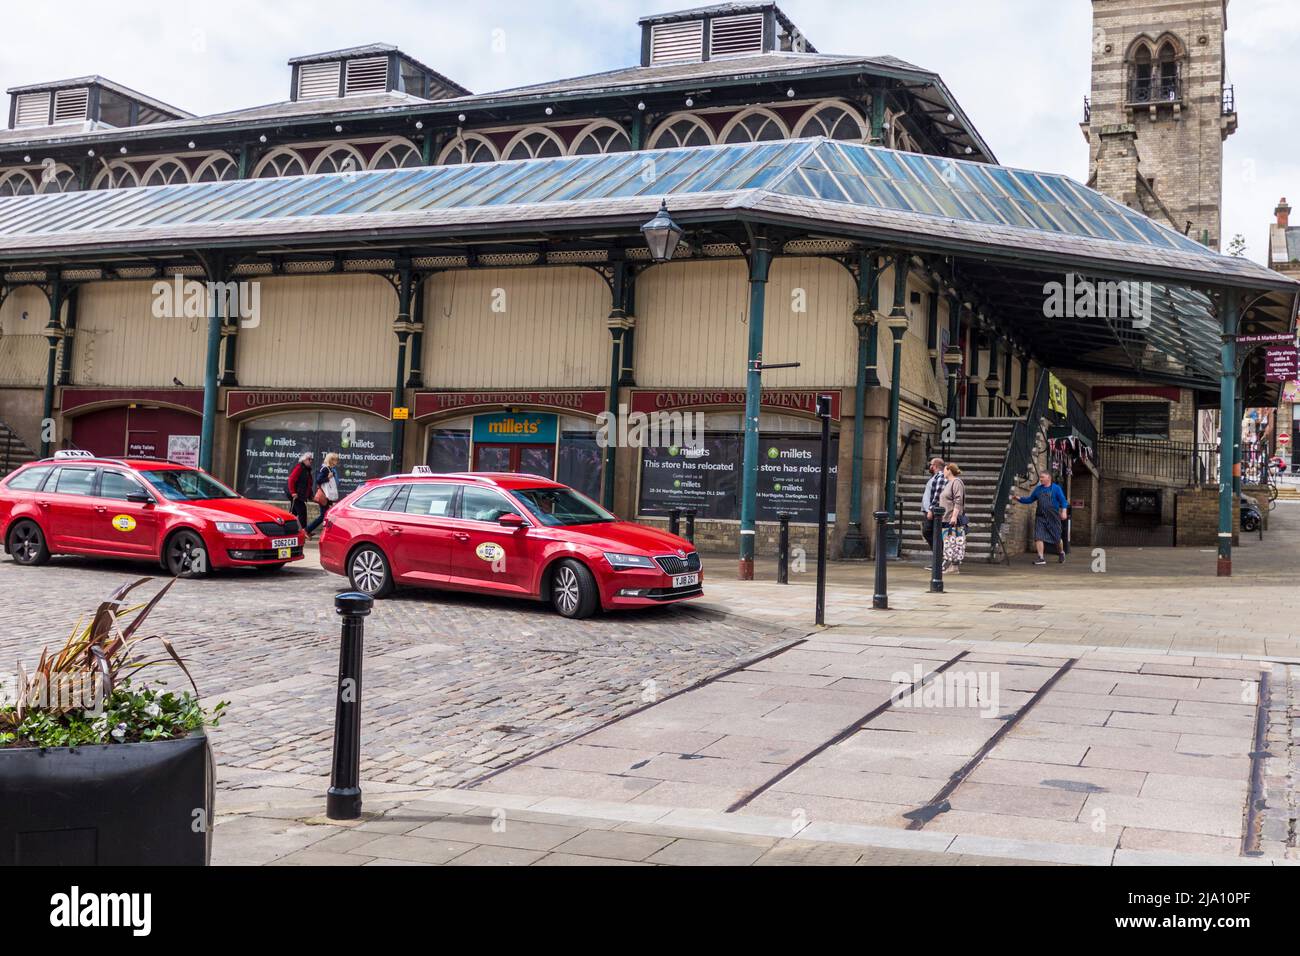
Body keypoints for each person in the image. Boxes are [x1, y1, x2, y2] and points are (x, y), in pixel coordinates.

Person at [1012, 470, 1069, 566]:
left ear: (1049, 478)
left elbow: (1063, 501)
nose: (1041, 479)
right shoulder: (1038, 489)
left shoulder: (1056, 488)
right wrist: (1020, 499)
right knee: (1038, 536)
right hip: (1040, 516)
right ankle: (1041, 558)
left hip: (1053, 517)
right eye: (1040, 477)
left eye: (1042, 477)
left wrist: (1064, 512)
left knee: (1056, 538)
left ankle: (1061, 552)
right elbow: (1030, 499)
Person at [937, 463, 967, 573]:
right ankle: (952, 566)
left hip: (951, 518)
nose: (943, 472)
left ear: (949, 470)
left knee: (953, 542)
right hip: (945, 517)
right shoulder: (949, 483)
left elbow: (958, 500)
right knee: (949, 542)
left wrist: (954, 516)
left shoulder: (956, 482)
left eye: (944, 470)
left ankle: (953, 566)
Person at [306, 452, 340, 537]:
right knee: (323, 516)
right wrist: (328, 477)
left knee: (326, 515)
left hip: (327, 496)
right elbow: (318, 480)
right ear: (331, 460)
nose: (337, 462)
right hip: (324, 496)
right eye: (336, 460)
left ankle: (311, 530)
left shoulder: (329, 468)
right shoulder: (325, 469)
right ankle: (307, 530)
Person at [920, 457, 946, 549]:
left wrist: (931, 509)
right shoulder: (935, 477)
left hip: (933, 512)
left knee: (927, 532)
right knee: (930, 533)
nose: (929, 466)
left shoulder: (941, 476)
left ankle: (940, 555)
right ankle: (938, 557)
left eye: (931, 464)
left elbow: (938, 495)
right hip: (929, 511)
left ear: (935, 466)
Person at [286, 451, 314, 535]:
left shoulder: (307, 469)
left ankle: (287, 529)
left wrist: (310, 495)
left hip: (299, 494)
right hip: (295, 494)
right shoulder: (300, 467)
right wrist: (293, 492)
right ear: (304, 460)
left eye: (312, 459)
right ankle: (305, 531)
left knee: (293, 513)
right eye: (309, 459)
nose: (311, 461)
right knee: (302, 510)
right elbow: (291, 479)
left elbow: (308, 484)